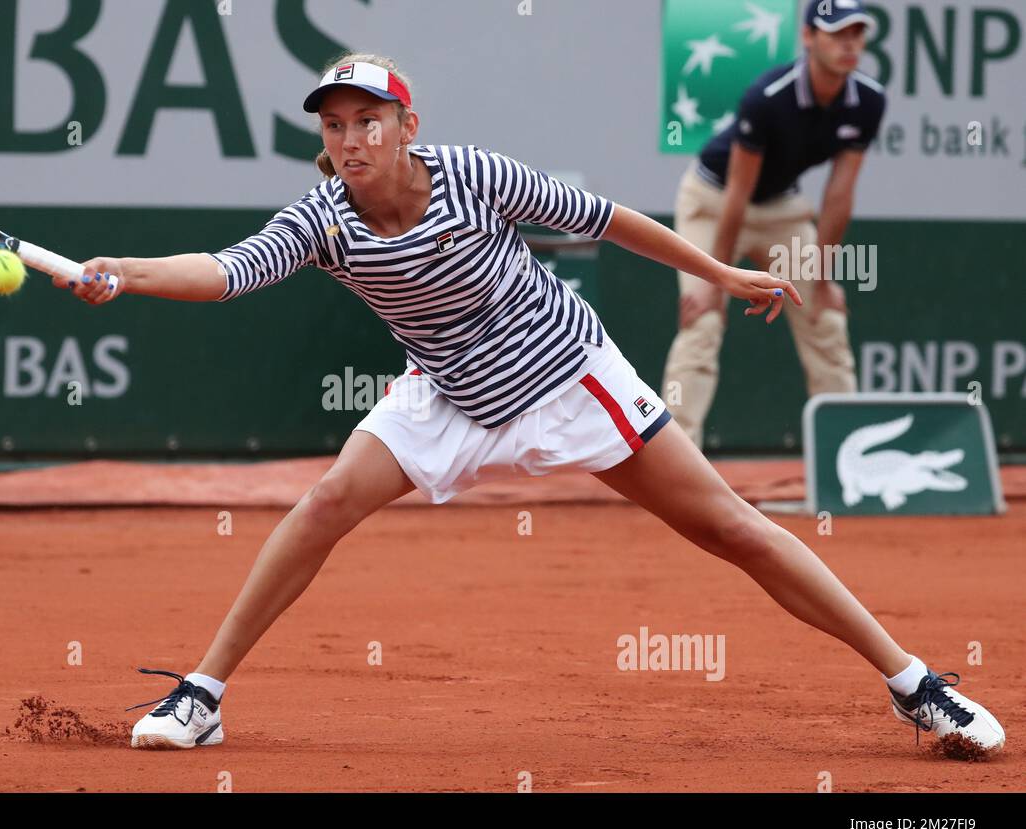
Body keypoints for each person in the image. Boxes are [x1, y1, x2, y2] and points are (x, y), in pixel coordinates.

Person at [57, 53, 1003, 757]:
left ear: (406, 125)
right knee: (322, 506)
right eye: (335, 126)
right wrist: (126, 273)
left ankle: (914, 682)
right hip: (449, 393)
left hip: (567, 377)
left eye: (367, 120)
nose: (351, 139)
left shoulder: (475, 175)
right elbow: (226, 273)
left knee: (732, 527)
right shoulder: (322, 222)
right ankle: (204, 694)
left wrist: (714, 266)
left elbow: (606, 220)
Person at [662, 0, 885, 448]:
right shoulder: (767, 98)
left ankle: (844, 457)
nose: (849, 44)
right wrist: (715, 280)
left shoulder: (868, 101)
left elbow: (839, 195)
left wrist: (822, 279)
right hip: (714, 203)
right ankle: (675, 457)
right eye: (836, 33)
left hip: (781, 210)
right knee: (702, 319)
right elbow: (736, 196)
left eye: (856, 34)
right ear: (807, 37)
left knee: (825, 317)